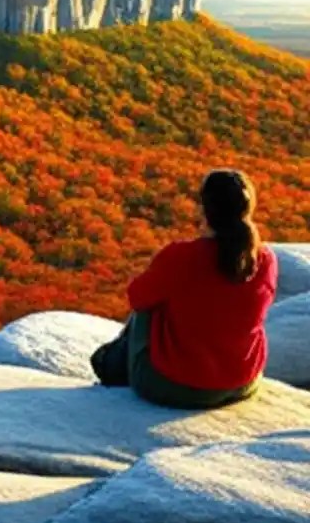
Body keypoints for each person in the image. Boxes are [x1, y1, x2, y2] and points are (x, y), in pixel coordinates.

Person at [90, 169, 278, 409]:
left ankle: (109, 363)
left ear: (204, 210)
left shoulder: (181, 257)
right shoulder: (266, 260)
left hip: (176, 387)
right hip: (243, 381)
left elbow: (136, 298)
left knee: (148, 307)